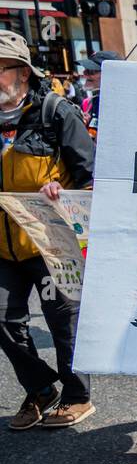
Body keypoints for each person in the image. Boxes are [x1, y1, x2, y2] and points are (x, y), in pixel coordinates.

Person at [0, 30, 97, 430]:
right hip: (3, 247)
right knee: (3, 320)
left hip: (50, 243)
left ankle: (77, 396)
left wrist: (64, 192)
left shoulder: (56, 112)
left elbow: (91, 178)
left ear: (21, 73)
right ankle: (41, 389)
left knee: (61, 319)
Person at [77, 50, 123, 139]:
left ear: (111, 74)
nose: (84, 73)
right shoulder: (88, 103)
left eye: (91, 71)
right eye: (86, 69)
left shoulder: (128, 105)